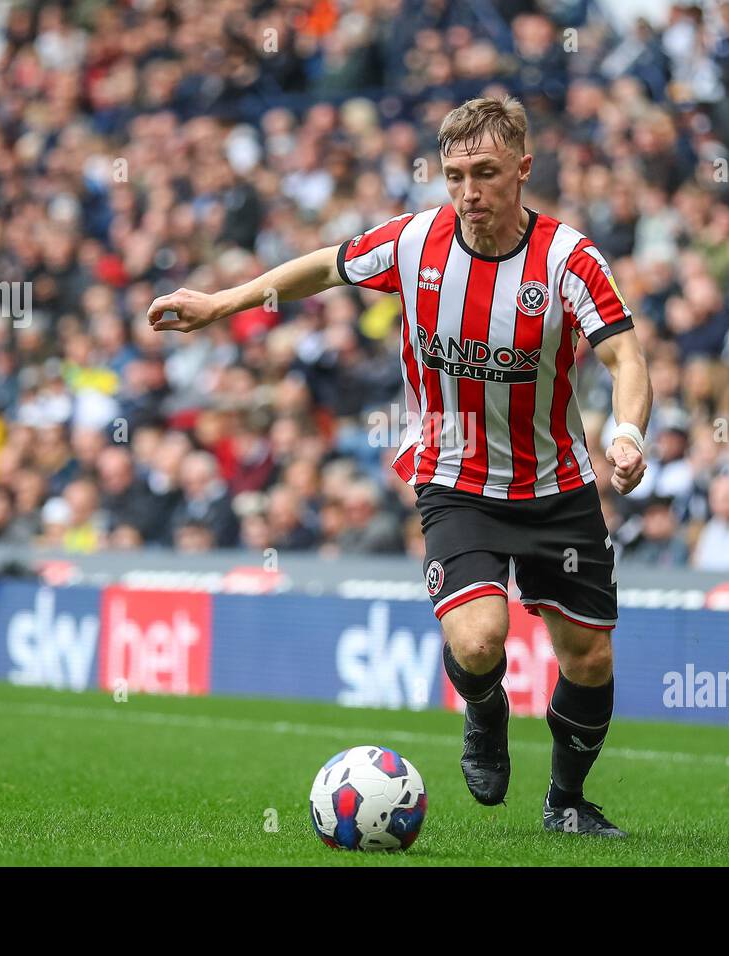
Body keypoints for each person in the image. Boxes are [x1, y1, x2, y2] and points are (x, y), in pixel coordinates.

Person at [147, 96, 652, 838]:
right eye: (454, 175)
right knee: (480, 639)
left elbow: (624, 354)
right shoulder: (415, 243)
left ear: (523, 169)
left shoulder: (568, 259)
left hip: (556, 486)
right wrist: (223, 303)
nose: (468, 192)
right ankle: (485, 712)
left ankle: (566, 802)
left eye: (484, 173)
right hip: (454, 481)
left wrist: (630, 433)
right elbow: (324, 267)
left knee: (588, 657)